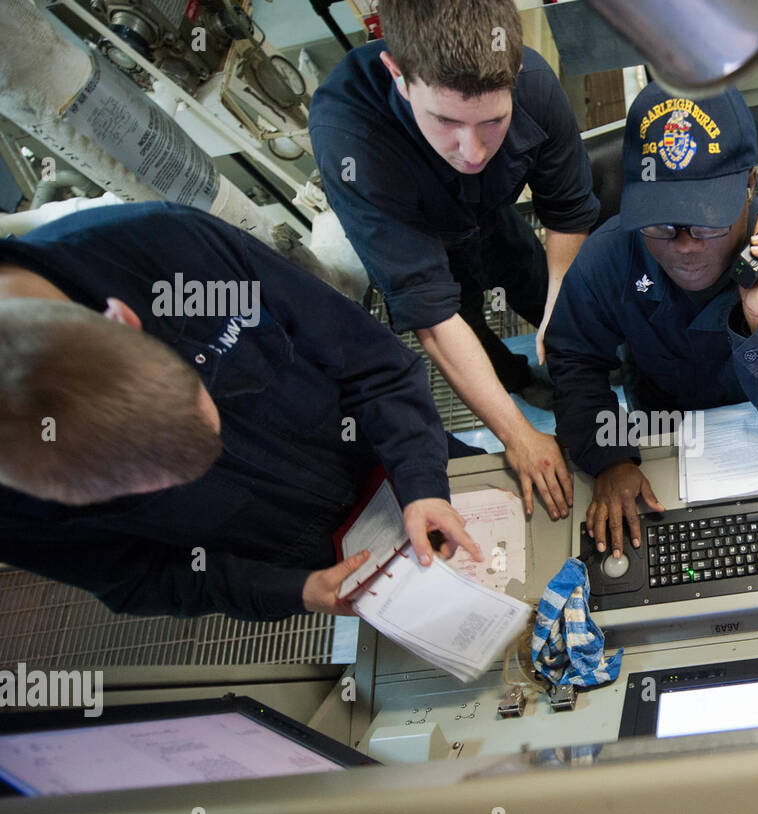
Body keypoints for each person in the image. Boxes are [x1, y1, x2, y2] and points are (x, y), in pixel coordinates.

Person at [0, 202, 481, 621]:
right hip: (317, 561)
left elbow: (370, 360)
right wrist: (294, 590)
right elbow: (134, 576)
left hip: (407, 459)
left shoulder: (167, 248)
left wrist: (421, 478)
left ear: (125, 320)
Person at [309, 0, 599, 522]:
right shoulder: (350, 137)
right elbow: (432, 316)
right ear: (398, 75)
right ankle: (516, 380)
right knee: (468, 327)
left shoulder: (533, 81)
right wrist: (518, 437)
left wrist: (561, 308)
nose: (471, 151)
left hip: (496, 220)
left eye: (493, 122)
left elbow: (568, 213)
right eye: (445, 120)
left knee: (540, 284)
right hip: (421, 242)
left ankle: (571, 353)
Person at [544, 83, 758, 559]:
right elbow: (573, 356)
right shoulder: (609, 256)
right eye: (662, 223)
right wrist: (610, 457)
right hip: (663, 425)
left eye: (707, 223)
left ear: (750, 184)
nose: (684, 245)